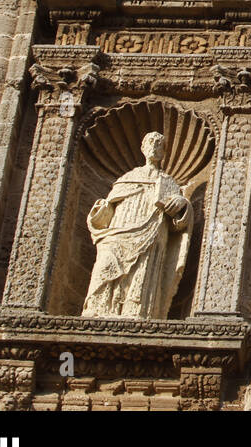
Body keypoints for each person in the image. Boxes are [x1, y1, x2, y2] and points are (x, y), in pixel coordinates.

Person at [82, 132, 192, 319]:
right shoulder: (128, 177)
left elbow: (176, 226)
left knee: (142, 270)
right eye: (150, 142)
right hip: (120, 228)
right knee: (106, 263)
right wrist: (103, 207)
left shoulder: (168, 183)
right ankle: (98, 308)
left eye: (159, 145)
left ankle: (136, 313)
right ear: (142, 147)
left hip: (151, 232)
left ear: (164, 152)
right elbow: (108, 210)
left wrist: (182, 204)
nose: (154, 147)